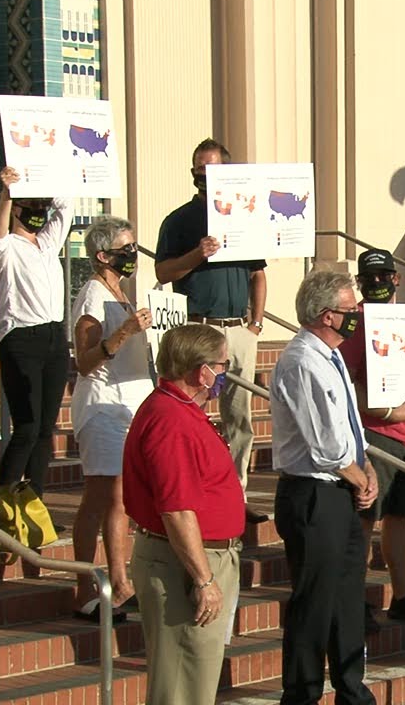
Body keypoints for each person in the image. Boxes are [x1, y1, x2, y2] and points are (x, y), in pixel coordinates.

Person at [270, 270, 377, 705]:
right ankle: (302, 694)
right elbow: (325, 445)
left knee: (348, 599)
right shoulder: (302, 361)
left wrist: (367, 471)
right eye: (351, 310)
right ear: (327, 315)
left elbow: (350, 432)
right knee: (313, 604)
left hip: (344, 488)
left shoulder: (332, 357)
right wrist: (357, 475)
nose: (357, 316)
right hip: (313, 493)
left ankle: (352, 691)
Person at [123, 324, 244, 705]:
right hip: (184, 565)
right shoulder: (171, 420)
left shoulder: (181, 410)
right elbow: (176, 509)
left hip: (198, 558)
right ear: (201, 370)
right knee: (182, 684)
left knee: (195, 678)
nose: (225, 373)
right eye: (222, 364)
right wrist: (204, 580)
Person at [155, 138, 269, 525]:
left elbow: (258, 274)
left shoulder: (243, 214)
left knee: (239, 418)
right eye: (199, 172)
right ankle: (194, 495)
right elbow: (163, 273)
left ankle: (234, 495)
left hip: (237, 329)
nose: (204, 178)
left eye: (213, 170)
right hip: (197, 330)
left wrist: (255, 323)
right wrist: (197, 254)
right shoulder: (179, 220)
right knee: (192, 415)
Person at [336, 249, 405, 630]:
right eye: (369, 279)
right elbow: (346, 383)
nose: (377, 284)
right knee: (365, 520)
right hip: (376, 438)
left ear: (397, 278)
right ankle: (355, 600)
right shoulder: (356, 323)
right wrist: (383, 412)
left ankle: (401, 596)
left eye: (383, 277)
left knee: (399, 518)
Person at [69, 216, 152, 621]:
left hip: (130, 404)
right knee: (104, 497)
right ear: (103, 255)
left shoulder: (120, 293)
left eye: (134, 246)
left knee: (118, 499)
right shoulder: (91, 297)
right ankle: (92, 583)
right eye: (125, 248)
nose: (133, 254)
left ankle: (120, 580)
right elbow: (84, 361)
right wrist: (124, 333)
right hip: (102, 407)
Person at [0, 167, 73, 496]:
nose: (38, 213)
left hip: (53, 337)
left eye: (41, 207)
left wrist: (42, 173)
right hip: (21, 337)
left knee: (45, 428)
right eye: (31, 207)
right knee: (27, 425)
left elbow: (66, 207)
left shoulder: (48, 244)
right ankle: (3, 501)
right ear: (18, 210)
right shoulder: (7, 250)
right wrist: (8, 194)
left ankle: (33, 499)